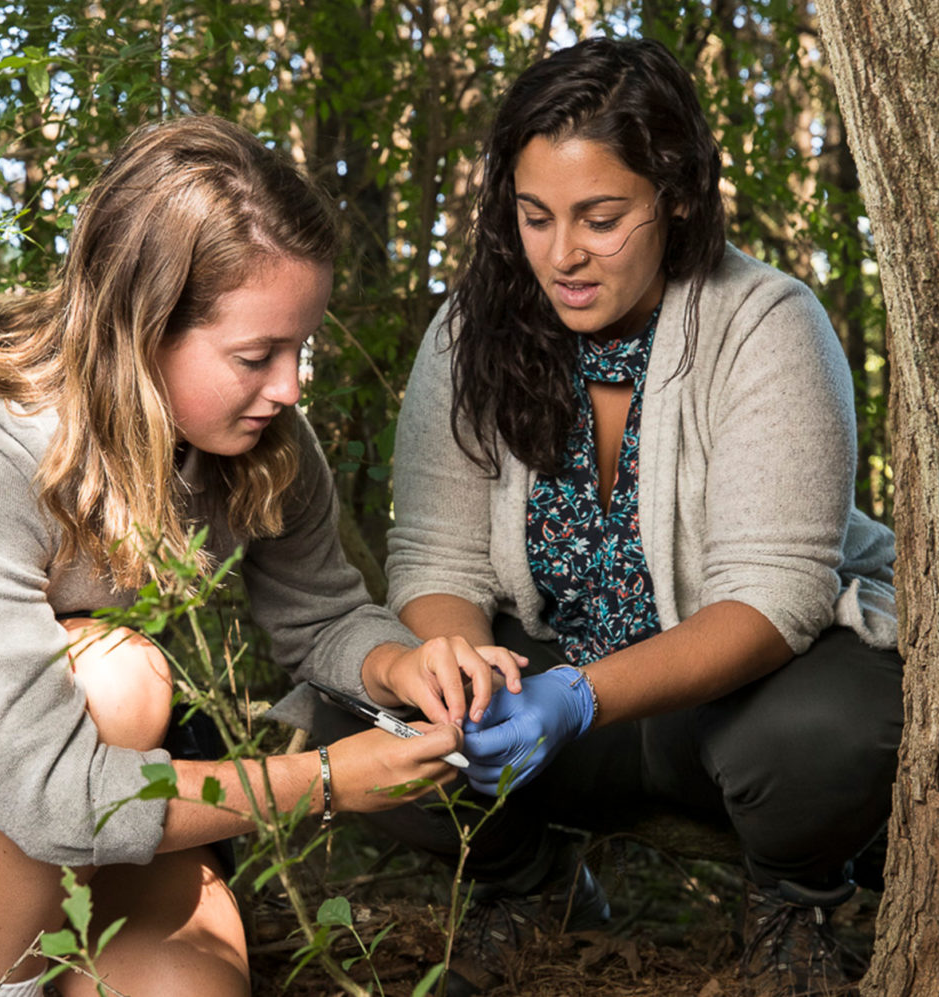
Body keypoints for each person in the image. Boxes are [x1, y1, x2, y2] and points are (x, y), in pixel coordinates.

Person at [0, 115, 520, 997]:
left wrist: (400, 663)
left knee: (185, 987)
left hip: (79, 748)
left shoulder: (264, 439)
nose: (289, 386)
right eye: (256, 355)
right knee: (121, 678)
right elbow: (41, 791)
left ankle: (44, 937)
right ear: (142, 327)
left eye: (300, 348)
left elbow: (321, 618)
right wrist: (323, 780)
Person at [377, 35, 902, 997]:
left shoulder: (768, 323)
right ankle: (531, 887)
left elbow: (777, 598)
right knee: (366, 701)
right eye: (535, 216)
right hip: (553, 690)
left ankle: (794, 903)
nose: (562, 255)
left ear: (679, 196)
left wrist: (577, 697)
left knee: (838, 724)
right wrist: (462, 675)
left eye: (602, 218)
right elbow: (434, 557)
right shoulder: (469, 330)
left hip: (728, 701)